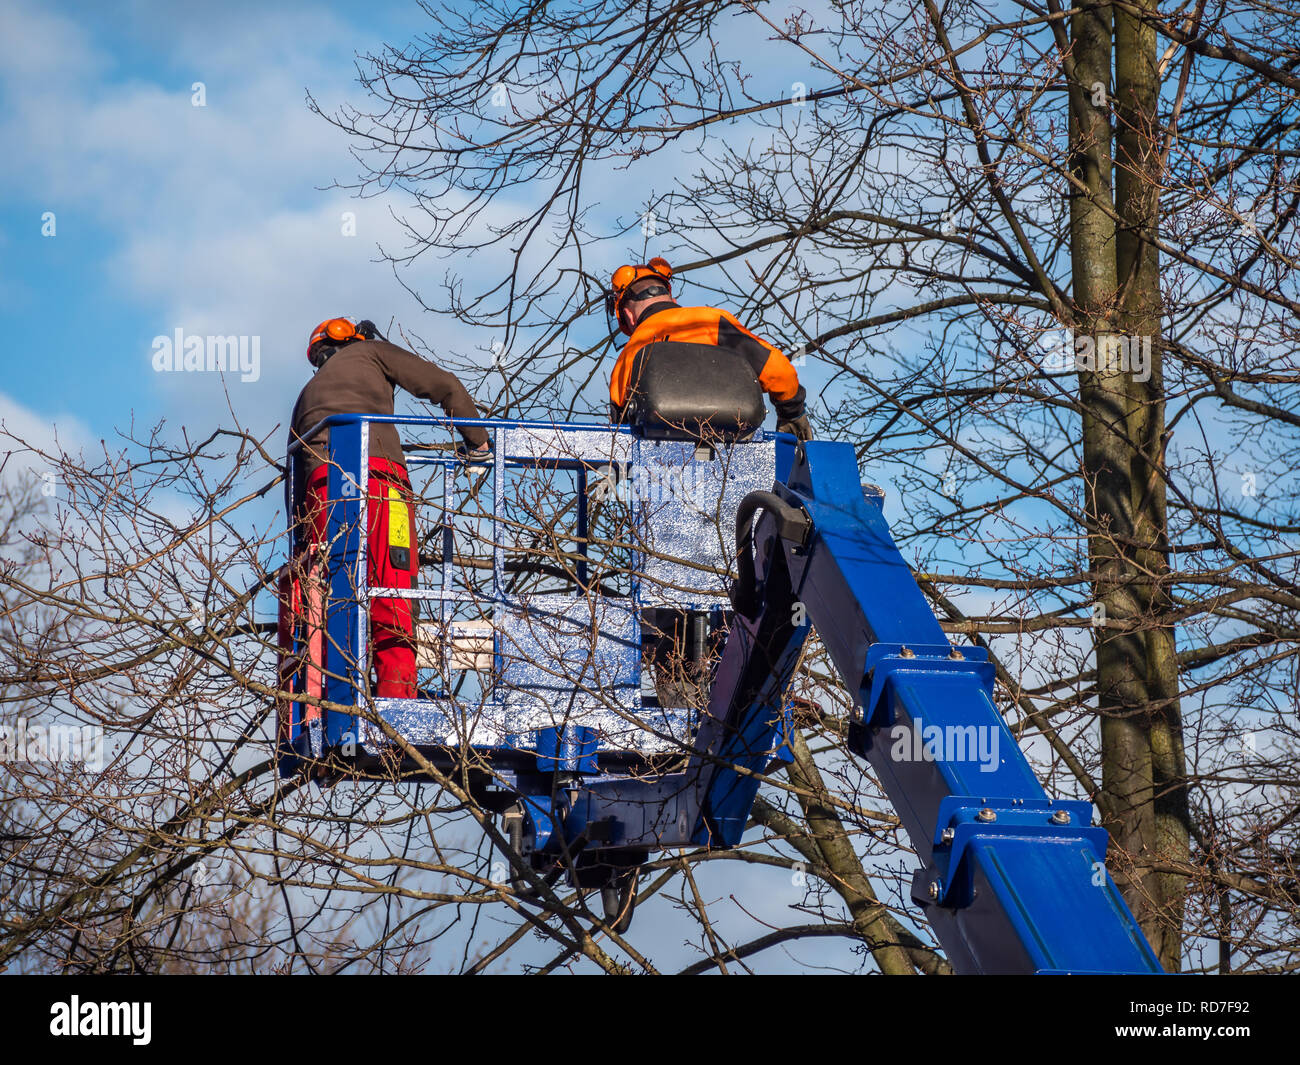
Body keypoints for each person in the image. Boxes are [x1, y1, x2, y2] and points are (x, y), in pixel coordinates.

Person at [287, 317, 490, 701]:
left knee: (333, 605)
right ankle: (399, 702)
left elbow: (294, 485)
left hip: (323, 498)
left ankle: (340, 705)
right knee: (392, 597)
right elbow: (443, 385)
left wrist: (302, 555)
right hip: (382, 487)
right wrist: (478, 444)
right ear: (354, 340)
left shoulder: (306, 396)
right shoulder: (372, 352)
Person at [605, 257, 813, 440]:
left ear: (628, 316)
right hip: (735, 454)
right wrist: (792, 414)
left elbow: (620, 442)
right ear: (672, 300)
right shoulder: (711, 321)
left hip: (660, 471)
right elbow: (779, 371)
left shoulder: (626, 360)